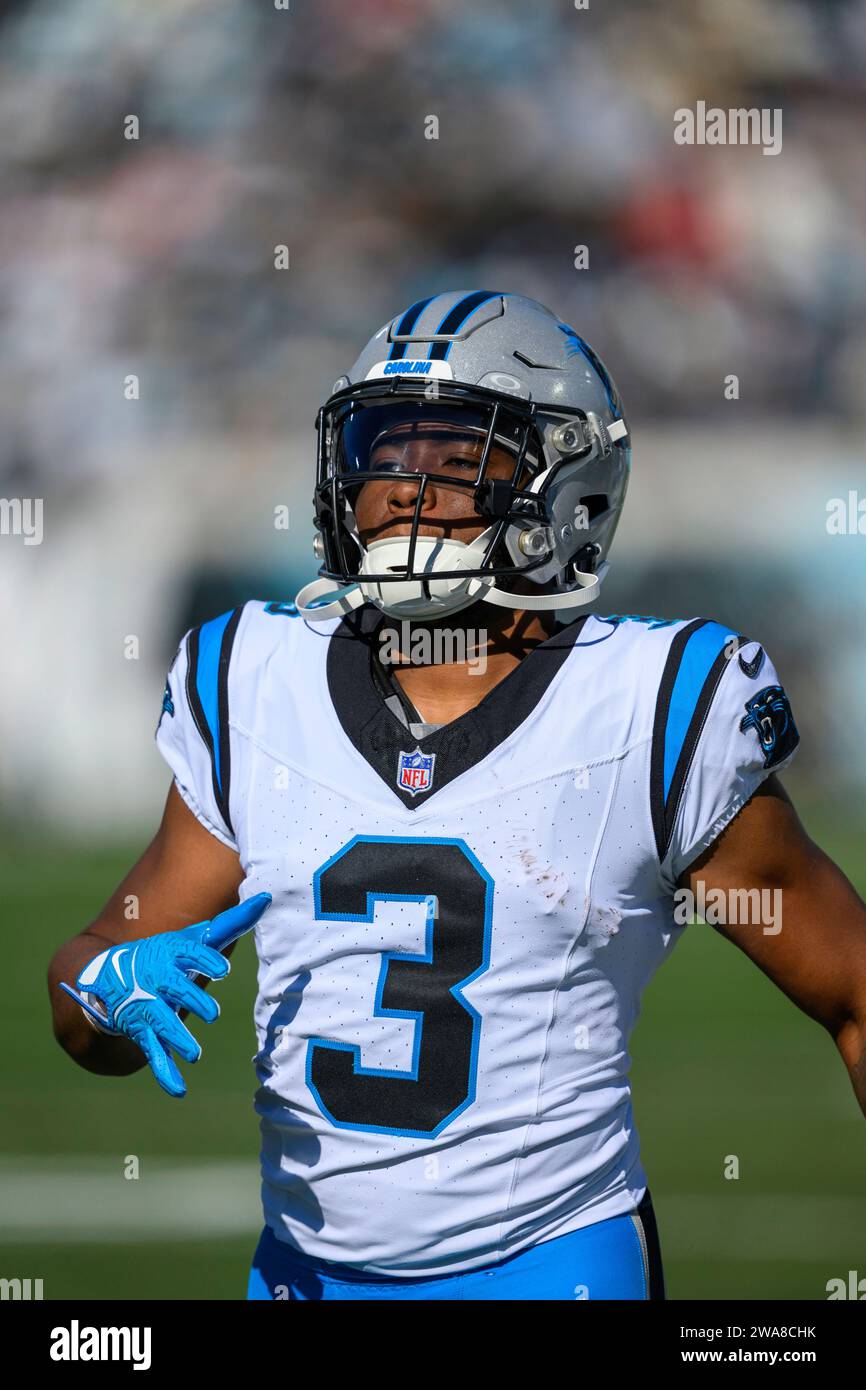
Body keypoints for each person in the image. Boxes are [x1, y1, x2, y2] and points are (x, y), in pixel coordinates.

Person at [48, 291, 866, 1301]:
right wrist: (106, 991)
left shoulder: (644, 705)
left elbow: (854, 992)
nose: (404, 484)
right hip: (299, 1274)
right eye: (382, 446)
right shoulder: (254, 677)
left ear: (566, 482)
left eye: (456, 453)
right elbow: (87, 989)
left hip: (551, 1263)